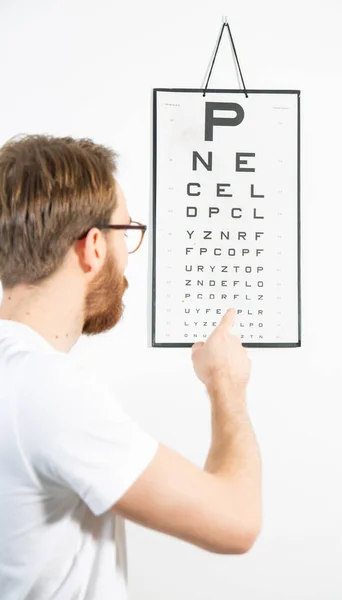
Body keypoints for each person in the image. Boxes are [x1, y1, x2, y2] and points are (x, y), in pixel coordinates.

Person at [0, 135, 262, 599]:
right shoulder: (46, 389)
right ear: (95, 246)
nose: (127, 258)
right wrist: (227, 384)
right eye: (127, 232)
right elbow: (236, 521)